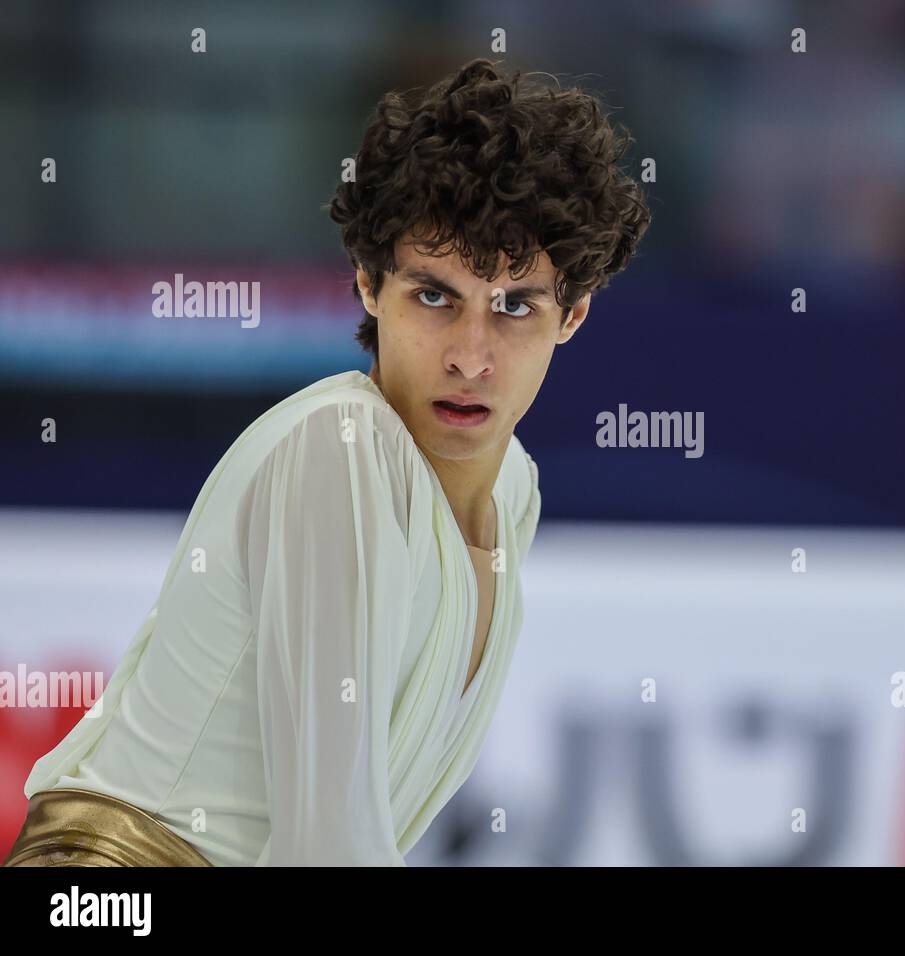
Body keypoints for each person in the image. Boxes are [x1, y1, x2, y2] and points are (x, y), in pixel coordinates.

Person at [4, 57, 651, 867]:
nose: (472, 357)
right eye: (435, 296)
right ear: (368, 284)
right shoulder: (341, 448)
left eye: (515, 306)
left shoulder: (514, 491)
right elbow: (327, 842)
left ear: (574, 314)